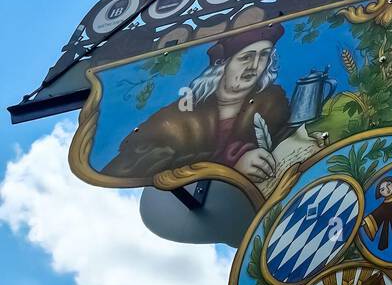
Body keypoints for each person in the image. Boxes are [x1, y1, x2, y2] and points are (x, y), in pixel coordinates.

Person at [102, 24, 290, 184]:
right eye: (246, 57)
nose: (255, 66)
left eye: (263, 56)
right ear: (222, 66)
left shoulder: (272, 102)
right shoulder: (179, 117)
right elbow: (132, 164)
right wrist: (231, 165)